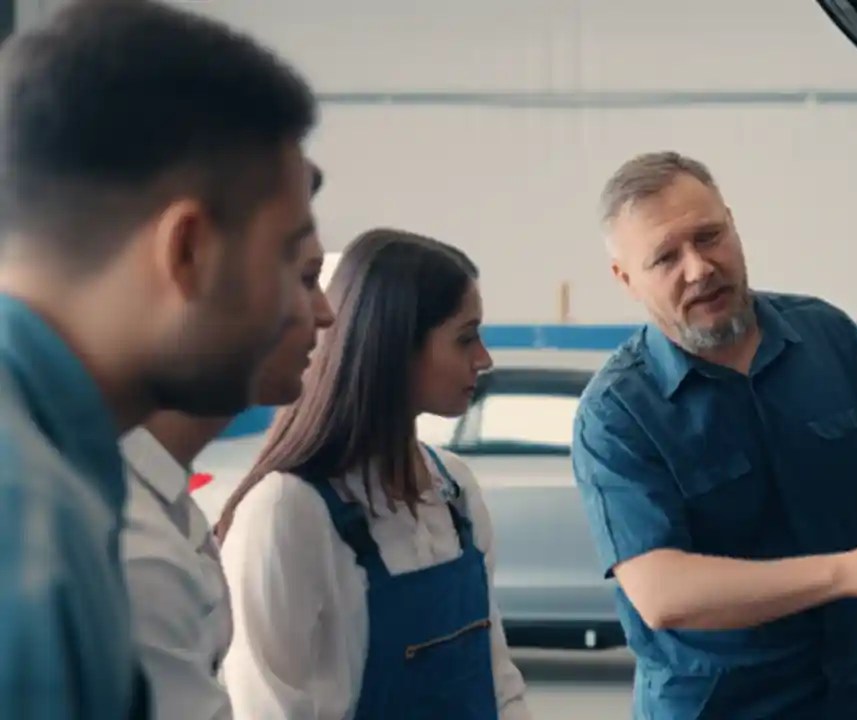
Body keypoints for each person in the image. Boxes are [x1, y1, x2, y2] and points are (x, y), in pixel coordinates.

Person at [571, 151, 857, 719]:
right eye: (665, 258)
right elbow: (662, 593)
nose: (699, 268)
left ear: (733, 223)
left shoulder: (825, 336)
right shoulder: (617, 414)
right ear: (625, 278)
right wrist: (853, 571)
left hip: (853, 694)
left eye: (709, 236)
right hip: (719, 707)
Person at [0, 2, 317, 718]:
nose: (305, 311)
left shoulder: (65, 473)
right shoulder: (26, 521)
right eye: (285, 260)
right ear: (188, 252)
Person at [214, 228, 532, 720]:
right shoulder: (288, 512)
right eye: (465, 338)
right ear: (394, 346)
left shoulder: (455, 492)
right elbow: (266, 709)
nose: (484, 358)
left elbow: (498, 678)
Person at [121, 162, 335, 720]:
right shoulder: (129, 549)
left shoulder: (164, 503)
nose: (326, 313)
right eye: (306, 277)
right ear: (188, 259)